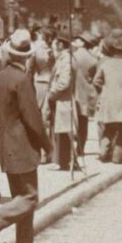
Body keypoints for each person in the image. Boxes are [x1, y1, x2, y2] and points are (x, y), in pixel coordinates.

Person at [0, 29, 53, 243]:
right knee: (30, 198)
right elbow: (32, 118)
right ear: (26, 56)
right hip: (23, 145)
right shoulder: (22, 80)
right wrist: (46, 144)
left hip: (6, 143)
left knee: (19, 198)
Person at [93, 29, 122, 163]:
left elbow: (96, 81)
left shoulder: (106, 64)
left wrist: (103, 91)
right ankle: (118, 156)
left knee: (109, 129)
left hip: (108, 100)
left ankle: (103, 152)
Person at [48, 31, 76, 170]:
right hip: (60, 100)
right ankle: (62, 161)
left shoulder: (66, 60)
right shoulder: (62, 58)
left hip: (62, 100)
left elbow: (64, 82)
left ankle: (64, 162)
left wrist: (52, 94)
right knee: (61, 131)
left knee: (64, 131)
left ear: (60, 44)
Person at [72, 31, 98, 156]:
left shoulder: (72, 56)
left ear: (82, 43)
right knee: (83, 122)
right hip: (85, 94)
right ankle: (80, 149)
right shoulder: (93, 60)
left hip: (72, 92)